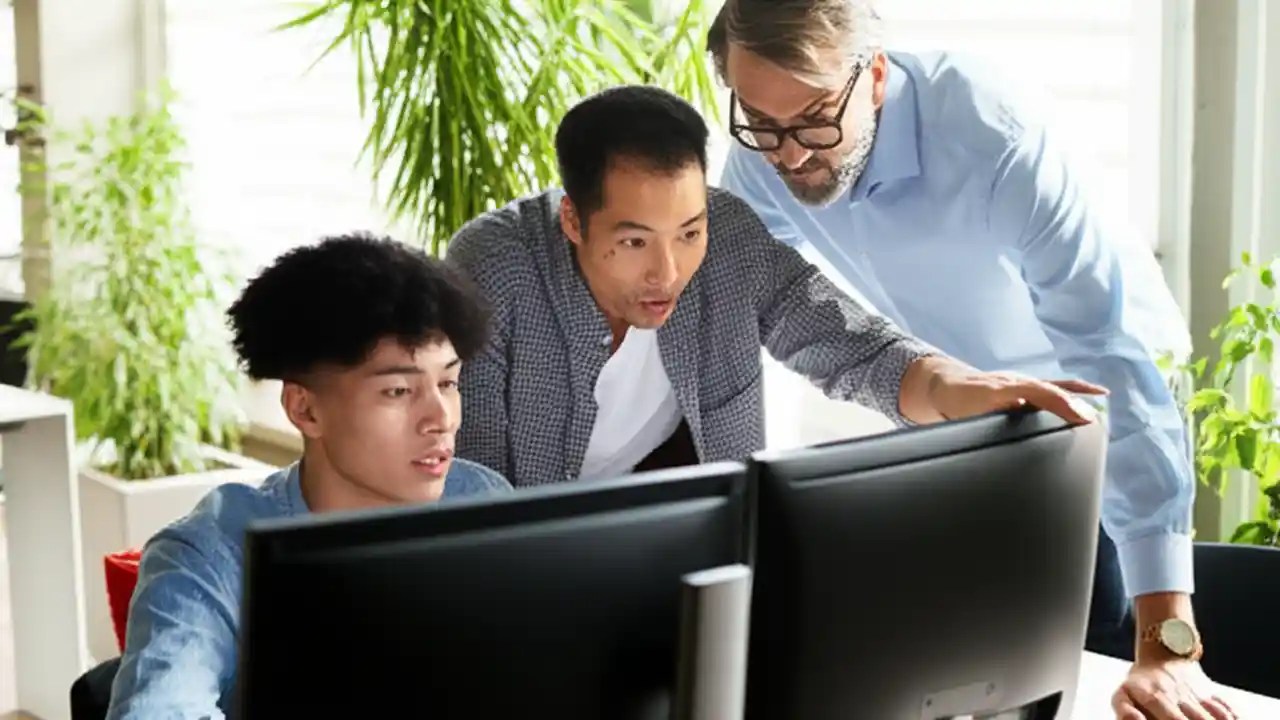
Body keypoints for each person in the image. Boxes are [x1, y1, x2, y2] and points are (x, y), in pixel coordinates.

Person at [707, 2, 1229, 719]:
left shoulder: (992, 139)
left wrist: (1168, 643)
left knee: (1093, 670)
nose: (789, 154)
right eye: (760, 121)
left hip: (1086, 411)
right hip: (955, 412)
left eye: (814, 120)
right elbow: (744, 289)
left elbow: (1113, 359)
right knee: (946, 675)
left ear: (877, 76)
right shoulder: (761, 158)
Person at [447, 83, 1102, 494]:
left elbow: (853, 347)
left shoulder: (729, 239)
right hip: (531, 569)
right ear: (572, 220)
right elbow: (476, 500)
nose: (669, 272)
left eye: (688, 232)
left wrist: (963, 389)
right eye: (633, 242)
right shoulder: (495, 268)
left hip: (683, 551)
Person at [105, 233, 512, 719]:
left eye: (448, 382)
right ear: (305, 409)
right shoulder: (213, 553)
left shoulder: (482, 501)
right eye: (399, 391)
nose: (440, 417)